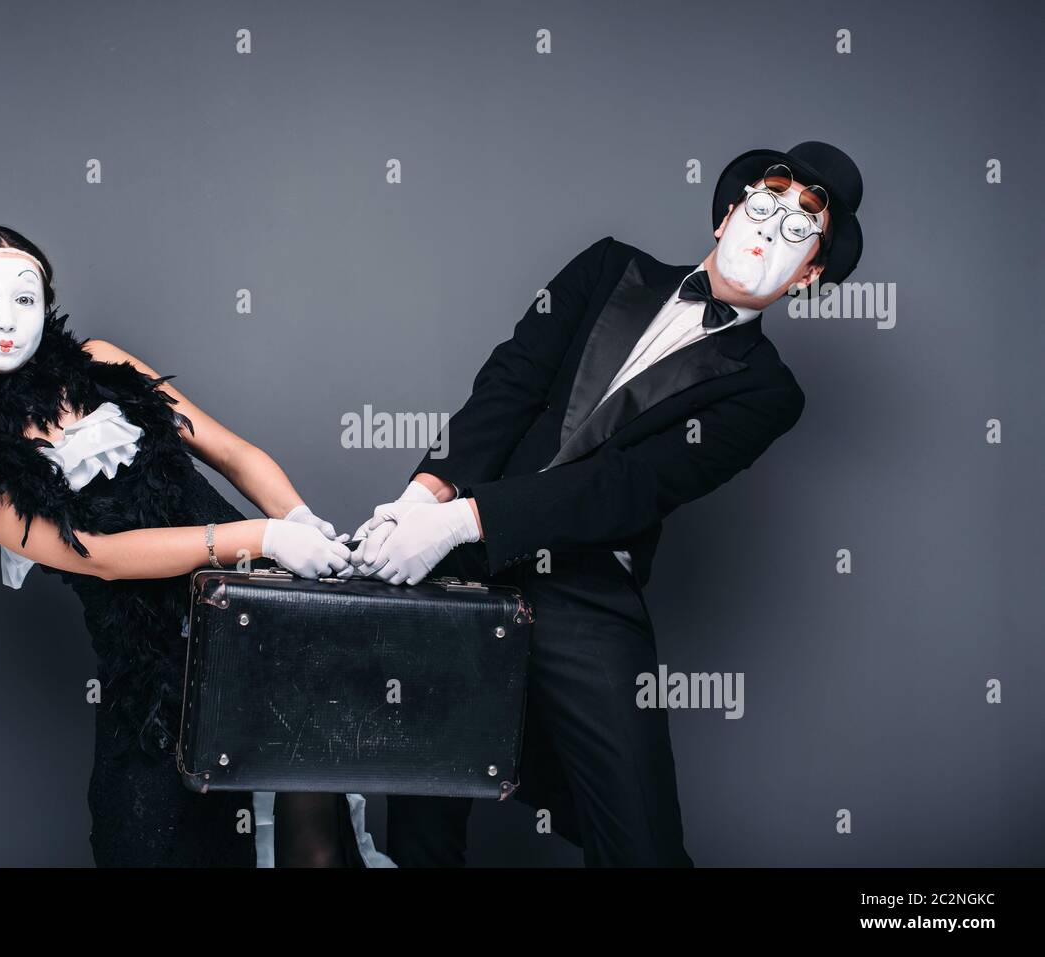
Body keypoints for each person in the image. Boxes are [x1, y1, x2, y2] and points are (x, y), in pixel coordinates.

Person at [350, 141, 865, 866]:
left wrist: (465, 517)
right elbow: (509, 386)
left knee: (641, 844)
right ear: (725, 215)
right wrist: (419, 501)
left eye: (799, 228)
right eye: (764, 204)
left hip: (583, 591)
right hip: (461, 563)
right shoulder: (604, 267)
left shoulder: (768, 392)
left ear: (809, 275)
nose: (770, 228)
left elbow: (628, 486)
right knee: (422, 809)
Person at [0, 224, 392, 868]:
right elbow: (95, 554)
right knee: (148, 846)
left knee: (313, 851)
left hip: (266, 632)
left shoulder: (103, 362)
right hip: (155, 679)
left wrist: (297, 517)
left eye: (24, 299)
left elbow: (229, 451)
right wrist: (259, 534)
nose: (5, 319)